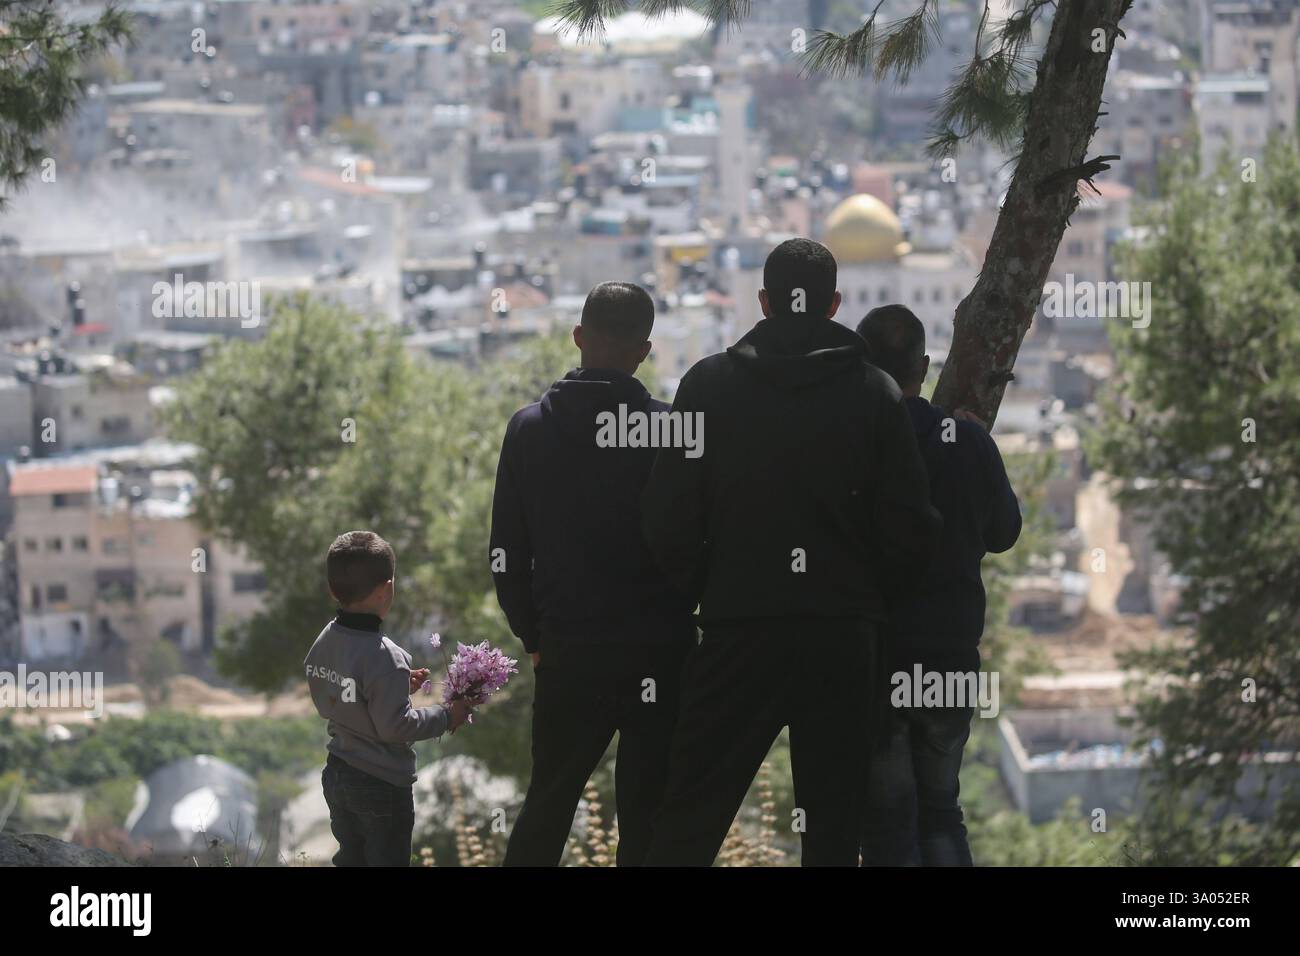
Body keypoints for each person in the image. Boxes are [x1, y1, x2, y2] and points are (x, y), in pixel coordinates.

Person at [638, 239, 942, 866]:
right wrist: (866, 600)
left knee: (690, 816)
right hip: (842, 637)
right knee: (832, 830)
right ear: (833, 303)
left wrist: (708, 589)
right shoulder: (876, 394)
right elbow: (910, 526)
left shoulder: (707, 386)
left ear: (765, 301)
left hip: (737, 629)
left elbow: (666, 517)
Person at [490, 281, 697, 866]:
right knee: (647, 814)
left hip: (570, 649)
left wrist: (533, 635)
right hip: (660, 652)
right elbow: (697, 540)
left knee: (549, 803)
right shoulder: (669, 431)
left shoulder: (529, 430)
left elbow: (505, 550)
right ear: (645, 350)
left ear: (579, 337)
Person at [855, 305, 1022, 866]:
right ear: (924, 366)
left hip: (878, 662)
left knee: (886, 822)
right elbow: (1004, 534)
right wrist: (980, 447)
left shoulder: (852, 448)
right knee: (941, 808)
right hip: (949, 660)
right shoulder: (966, 442)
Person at [305, 530, 473, 867]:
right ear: (387, 589)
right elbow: (395, 727)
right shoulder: (387, 656)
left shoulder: (327, 638)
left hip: (338, 774)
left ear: (332, 590)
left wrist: (391, 689)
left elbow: (332, 692)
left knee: (351, 861)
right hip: (380, 785)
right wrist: (446, 716)